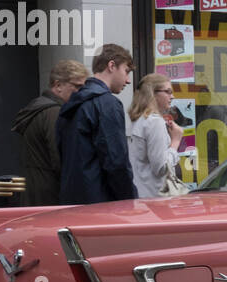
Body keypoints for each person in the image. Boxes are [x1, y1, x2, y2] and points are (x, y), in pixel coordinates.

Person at [57, 43, 136, 204]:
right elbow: (116, 162)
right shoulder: (107, 104)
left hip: (72, 201)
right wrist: (129, 200)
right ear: (111, 65)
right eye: (126, 71)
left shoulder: (70, 105)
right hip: (101, 203)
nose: (128, 80)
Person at [12, 59, 89, 207]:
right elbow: (60, 159)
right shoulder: (54, 113)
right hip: (50, 196)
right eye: (77, 86)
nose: (82, 92)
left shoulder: (39, 108)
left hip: (35, 191)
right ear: (58, 85)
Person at [127, 74, 184, 198]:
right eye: (168, 92)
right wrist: (175, 141)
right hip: (156, 198)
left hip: (140, 194)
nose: (172, 96)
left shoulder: (138, 120)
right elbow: (161, 168)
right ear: (152, 93)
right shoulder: (154, 122)